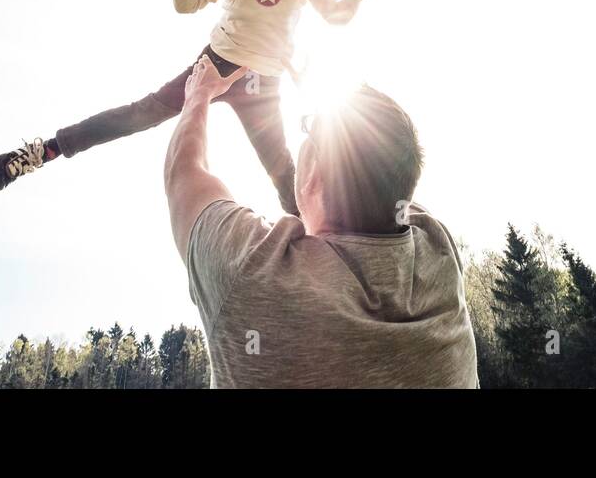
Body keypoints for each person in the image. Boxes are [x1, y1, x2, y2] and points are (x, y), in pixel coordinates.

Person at [0, 0, 383, 216]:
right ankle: (44, 151)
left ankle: (320, 238)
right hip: (213, 66)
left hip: (263, 84)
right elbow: (187, 4)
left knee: (281, 169)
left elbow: (337, 16)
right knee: (141, 114)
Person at [165, 53, 480, 388]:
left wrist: (199, 93)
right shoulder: (439, 254)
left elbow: (183, 173)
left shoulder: (251, 275)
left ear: (312, 171)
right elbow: (380, 172)